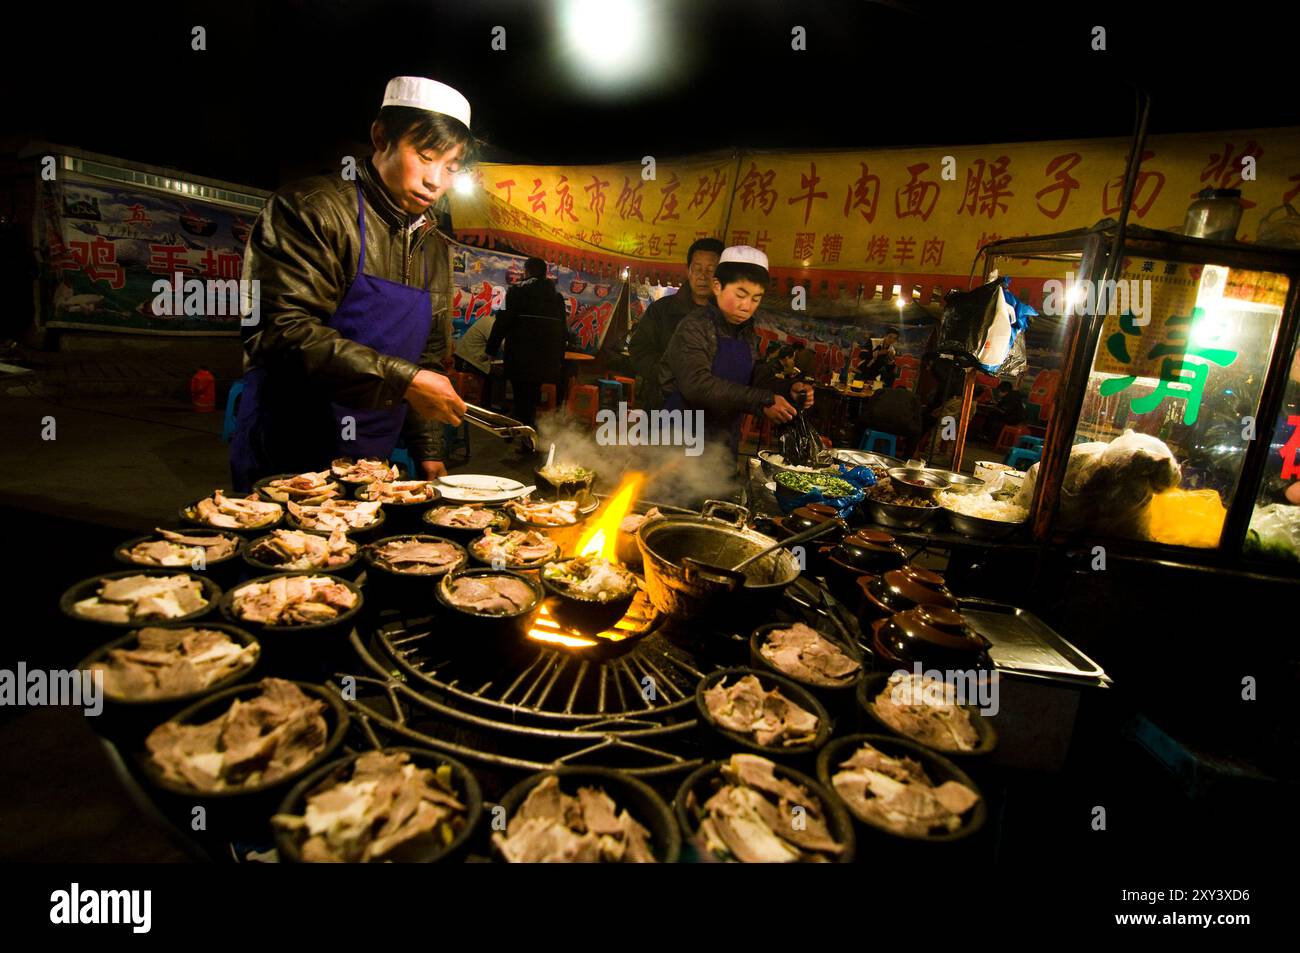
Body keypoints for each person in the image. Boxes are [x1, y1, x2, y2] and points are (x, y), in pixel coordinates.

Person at [230, 76, 471, 491]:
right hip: (288, 451)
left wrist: (429, 450)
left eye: (451, 166)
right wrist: (404, 381)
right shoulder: (310, 210)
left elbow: (427, 357)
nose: (437, 181)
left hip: (371, 462)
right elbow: (278, 332)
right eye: (426, 156)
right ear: (381, 137)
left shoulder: (433, 246)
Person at [661, 245, 814, 456]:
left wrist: (787, 389)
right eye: (740, 294)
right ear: (717, 286)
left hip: (722, 440)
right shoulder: (695, 326)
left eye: (756, 298)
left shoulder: (746, 331)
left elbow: (753, 376)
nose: (747, 306)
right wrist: (763, 401)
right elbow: (696, 385)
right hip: (680, 438)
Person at [629, 237, 724, 409]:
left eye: (711, 270)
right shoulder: (662, 310)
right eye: (697, 269)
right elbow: (639, 350)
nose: (703, 276)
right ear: (688, 271)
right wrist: (668, 376)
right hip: (663, 406)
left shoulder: (728, 317)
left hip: (711, 414)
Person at [487, 256, 567, 427]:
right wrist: (559, 359)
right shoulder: (556, 297)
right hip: (545, 359)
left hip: (520, 356)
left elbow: (501, 321)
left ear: (527, 271)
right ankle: (528, 431)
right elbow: (563, 331)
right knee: (532, 395)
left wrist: (491, 349)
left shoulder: (515, 291)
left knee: (520, 396)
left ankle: (524, 433)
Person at [453, 312, 495, 400]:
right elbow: (501, 345)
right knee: (497, 375)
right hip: (466, 362)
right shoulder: (491, 323)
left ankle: (486, 404)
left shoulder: (487, 320)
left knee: (495, 374)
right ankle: (486, 406)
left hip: (463, 360)